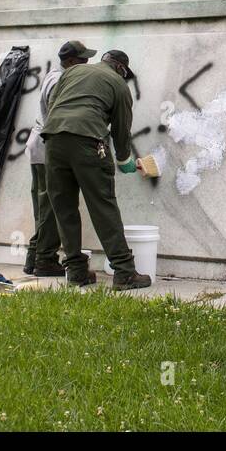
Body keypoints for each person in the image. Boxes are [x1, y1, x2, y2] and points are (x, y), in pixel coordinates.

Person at [41, 41, 152, 289]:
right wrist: (125, 162)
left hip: (53, 139)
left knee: (64, 207)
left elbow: (53, 106)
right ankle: (124, 272)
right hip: (88, 141)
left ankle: (77, 272)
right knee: (102, 205)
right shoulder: (119, 86)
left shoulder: (72, 72)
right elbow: (121, 132)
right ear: (121, 69)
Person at [22, 61, 64, 276]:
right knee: (49, 207)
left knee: (42, 206)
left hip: (38, 148)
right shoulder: (59, 80)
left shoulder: (52, 75)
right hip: (47, 148)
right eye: (82, 59)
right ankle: (44, 259)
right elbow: (56, 115)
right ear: (72, 61)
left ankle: (34, 258)